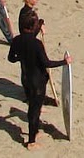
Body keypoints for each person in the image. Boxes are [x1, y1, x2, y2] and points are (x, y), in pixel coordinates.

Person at [8, 14, 70, 150]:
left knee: (33, 107)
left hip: (25, 79)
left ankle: (34, 132)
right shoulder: (37, 44)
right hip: (38, 82)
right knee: (34, 111)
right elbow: (46, 63)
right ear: (32, 26)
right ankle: (31, 141)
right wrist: (64, 62)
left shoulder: (16, 40)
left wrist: (21, 58)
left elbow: (11, 58)